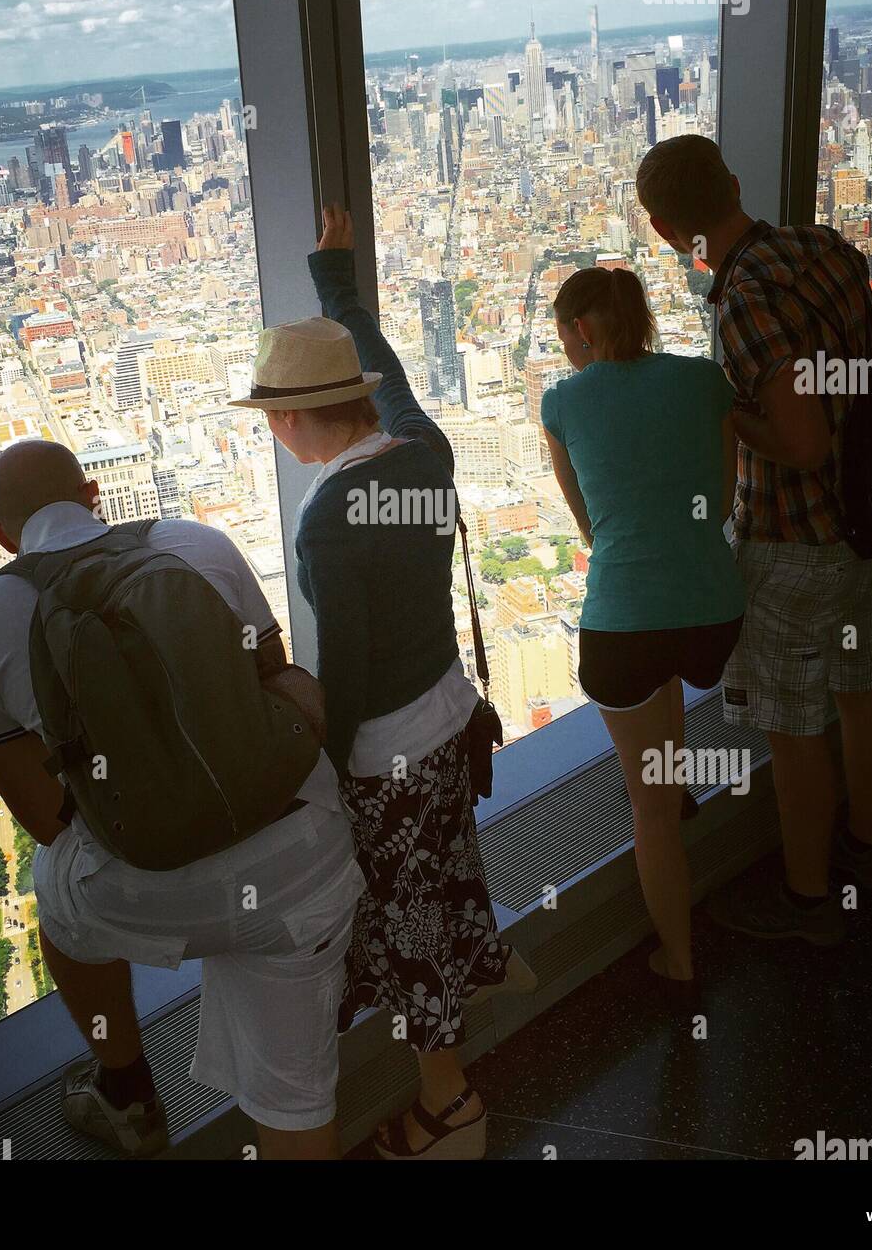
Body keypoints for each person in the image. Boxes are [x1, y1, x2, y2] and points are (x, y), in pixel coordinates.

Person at [0, 440, 365, 1159]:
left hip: (143, 889)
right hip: (303, 859)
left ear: (1, 537)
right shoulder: (198, 544)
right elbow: (274, 691)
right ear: (93, 493)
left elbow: (45, 821)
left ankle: (127, 1088)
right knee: (296, 1099)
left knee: (56, 888)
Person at [232, 205, 533, 1160]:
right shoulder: (425, 450)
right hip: (448, 717)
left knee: (407, 923)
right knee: (443, 877)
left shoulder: (326, 522)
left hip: (387, 752)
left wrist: (314, 766)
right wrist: (338, 284)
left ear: (287, 421)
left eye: (272, 419)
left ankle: (449, 1107)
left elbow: (348, 678)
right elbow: (388, 369)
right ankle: (478, 972)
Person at [637, 133, 872, 945]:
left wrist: (720, 410)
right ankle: (870, 846)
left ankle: (808, 901)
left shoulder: (744, 296)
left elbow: (802, 440)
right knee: (861, 689)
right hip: (865, 520)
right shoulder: (821, 247)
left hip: (795, 540)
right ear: (734, 183)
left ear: (666, 231)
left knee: (795, 733)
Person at [543, 266, 743, 986]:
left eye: (563, 334)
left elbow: (590, 526)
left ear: (583, 331)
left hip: (625, 622)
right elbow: (720, 503)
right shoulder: (701, 380)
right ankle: (673, 779)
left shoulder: (564, 402)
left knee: (649, 812)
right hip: (715, 613)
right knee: (667, 714)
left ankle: (680, 959)